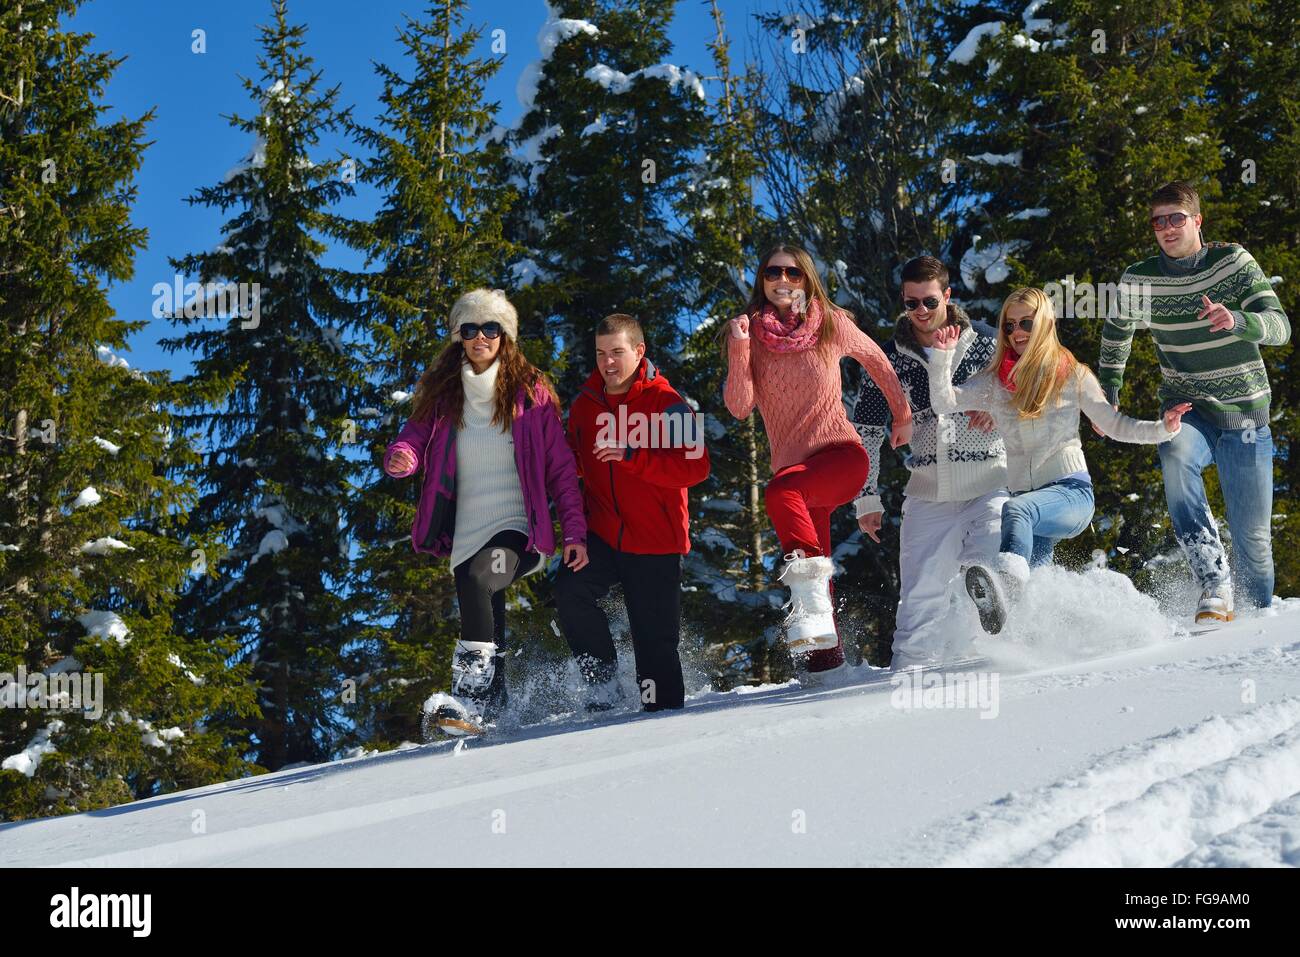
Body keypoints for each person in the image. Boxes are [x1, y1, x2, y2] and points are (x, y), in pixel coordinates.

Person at [383, 289, 587, 735]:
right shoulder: (443, 395)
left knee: (482, 577)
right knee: (487, 618)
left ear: (505, 337)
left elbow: (561, 471)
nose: (481, 337)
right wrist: (402, 456)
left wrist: (574, 534)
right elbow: (412, 437)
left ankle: (468, 697)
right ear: (459, 337)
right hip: (465, 531)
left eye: (491, 329)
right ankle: (494, 714)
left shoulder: (531, 397)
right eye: (470, 329)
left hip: (519, 530)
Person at [931, 287, 1190, 634]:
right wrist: (942, 358)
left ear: (1045, 324)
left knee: (1016, 510)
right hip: (1033, 510)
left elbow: (1114, 425)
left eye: (1026, 322)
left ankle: (1006, 589)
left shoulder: (1072, 375)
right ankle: (1042, 642)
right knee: (1035, 588)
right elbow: (944, 402)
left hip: (1071, 494)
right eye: (1009, 326)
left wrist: (1164, 428)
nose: (1017, 332)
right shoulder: (995, 383)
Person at [1099, 181, 1290, 623]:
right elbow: (1116, 330)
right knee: (1174, 450)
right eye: (1158, 220)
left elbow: (1280, 327)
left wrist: (1238, 320)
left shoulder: (1233, 261)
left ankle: (1258, 626)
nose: (1166, 228)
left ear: (1197, 221)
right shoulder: (1140, 278)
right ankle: (1212, 579)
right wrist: (1109, 388)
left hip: (1244, 414)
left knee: (1254, 540)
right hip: (1188, 407)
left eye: (1176, 218)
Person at [724, 245, 913, 672]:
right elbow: (739, 406)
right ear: (762, 279)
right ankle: (827, 668)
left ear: (807, 280)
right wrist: (738, 349)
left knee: (782, 492)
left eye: (794, 273)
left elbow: (878, 361)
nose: (783, 280)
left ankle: (809, 605)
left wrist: (901, 415)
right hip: (801, 477)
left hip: (841, 457)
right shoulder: (749, 333)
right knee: (814, 573)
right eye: (774, 272)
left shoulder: (829, 322)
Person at [851, 256, 1009, 669]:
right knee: (920, 593)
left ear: (948, 296)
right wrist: (866, 499)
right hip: (928, 489)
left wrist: (998, 408)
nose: (921, 311)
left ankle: (994, 662)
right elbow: (866, 429)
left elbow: (1032, 395)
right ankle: (908, 673)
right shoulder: (886, 360)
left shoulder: (990, 345)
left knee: (990, 567)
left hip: (989, 479)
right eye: (912, 303)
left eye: (930, 301)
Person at [554, 315, 710, 712]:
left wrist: (633, 456)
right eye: (601, 354)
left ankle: (658, 722)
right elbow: (571, 466)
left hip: (655, 541)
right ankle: (603, 688)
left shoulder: (666, 402)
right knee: (571, 594)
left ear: (639, 352)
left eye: (617, 353)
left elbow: (697, 467)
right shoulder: (585, 406)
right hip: (603, 534)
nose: (608, 362)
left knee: (654, 647)